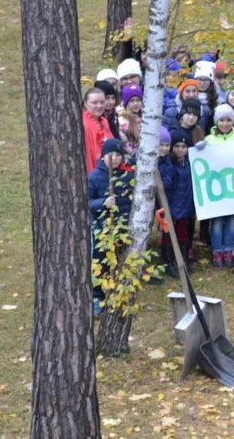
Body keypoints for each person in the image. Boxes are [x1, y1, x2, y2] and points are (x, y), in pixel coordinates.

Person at [87, 138, 134, 316]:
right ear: (103, 156)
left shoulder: (127, 175)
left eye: (118, 155)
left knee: (120, 260)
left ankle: (117, 294)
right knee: (100, 263)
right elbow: (87, 202)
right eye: (110, 155)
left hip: (122, 228)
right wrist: (103, 203)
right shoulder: (94, 177)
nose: (114, 158)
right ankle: (97, 297)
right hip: (101, 228)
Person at [199, 104, 234, 268]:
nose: (225, 123)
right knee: (218, 220)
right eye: (221, 120)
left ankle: (228, 249)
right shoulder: (209, 139)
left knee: (232, 220)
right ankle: (217, 251)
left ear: (233, 121)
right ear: (216, 121)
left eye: (228, 120)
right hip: (216, 187)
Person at [158, 129, 196, 275]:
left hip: (185, 203)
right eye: (177, 146)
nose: (180, 149)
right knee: (167, 231)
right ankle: (168, 260)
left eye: (184, 146)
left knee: (182, 231)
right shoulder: (168, 162)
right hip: (168, 202)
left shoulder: (190, 162)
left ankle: (183, 258)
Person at [82, 87, 113, 174]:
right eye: (94, 103)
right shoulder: (83, 123)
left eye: (102, 102)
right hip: (92, 171)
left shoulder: (104, 121)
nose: (99, 106)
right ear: (85, 103)